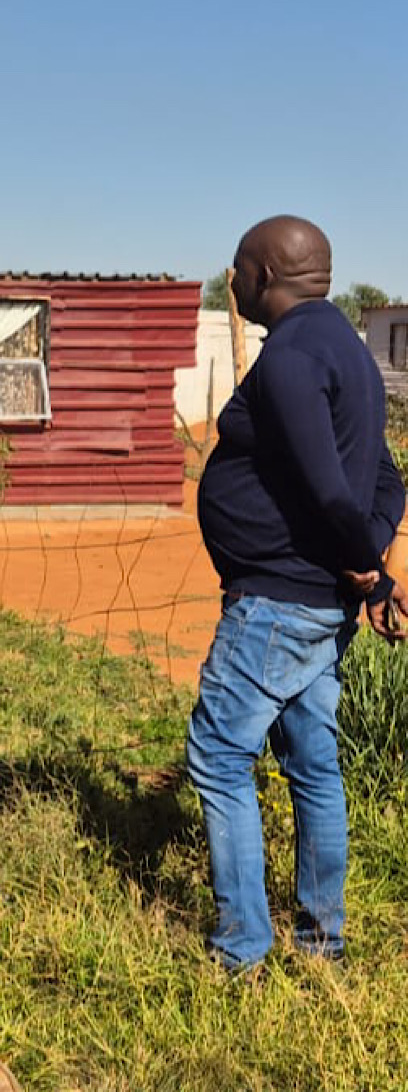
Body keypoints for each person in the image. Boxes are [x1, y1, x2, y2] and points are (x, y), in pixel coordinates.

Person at [187, 214, 408, 973]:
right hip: (317, 603)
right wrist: (366, 565)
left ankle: (241, 949)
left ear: (264, 276)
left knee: (218, 754)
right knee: (312, 763)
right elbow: (386, 480)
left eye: (238, 270)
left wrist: (369, 565)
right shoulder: (346, 348)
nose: (231, 281)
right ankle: (320, 946)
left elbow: (328, 487)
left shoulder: (289, 358)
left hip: (278, 606)